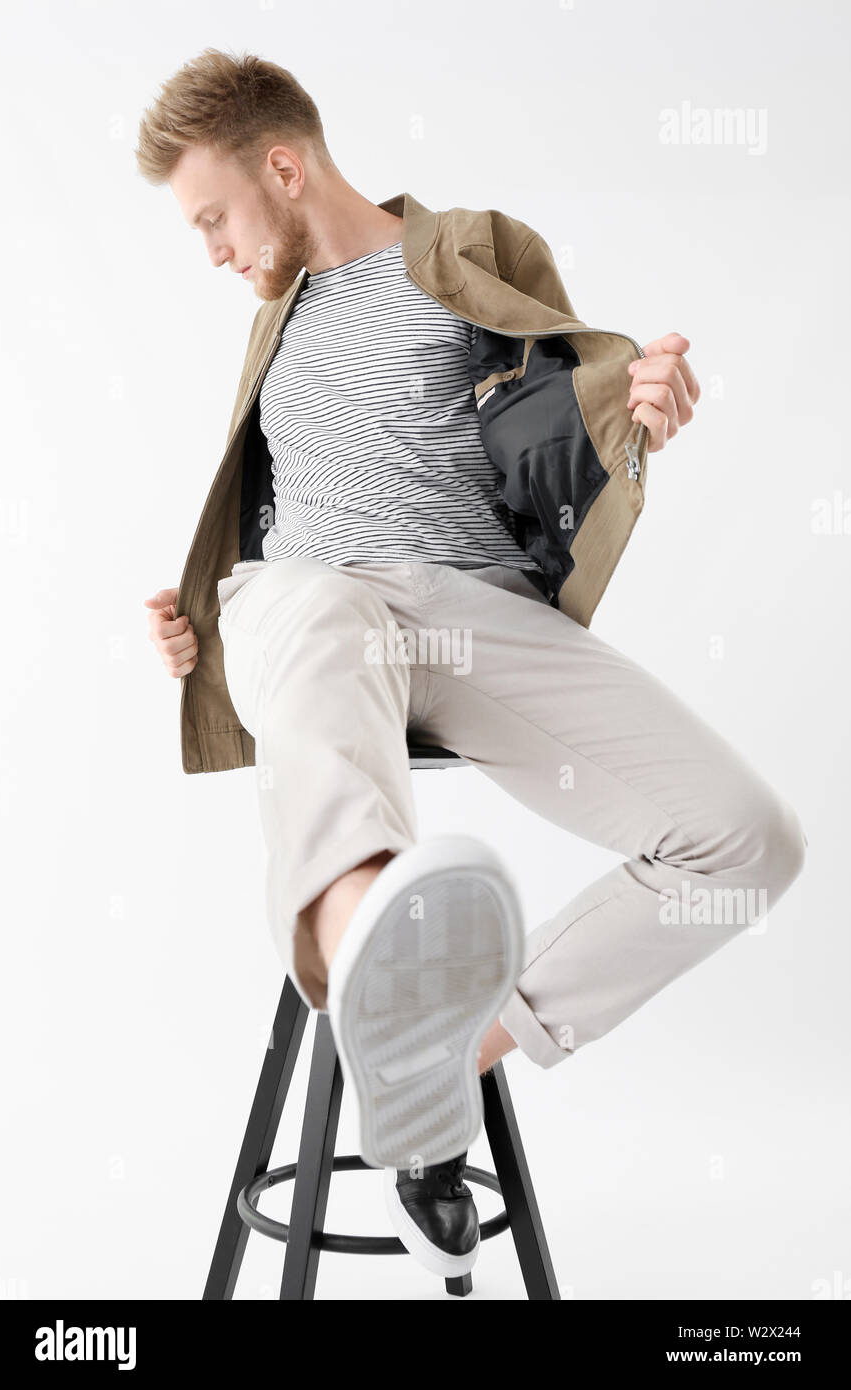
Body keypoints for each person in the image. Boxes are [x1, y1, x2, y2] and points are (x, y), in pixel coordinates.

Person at [139, 49, 806, 1281]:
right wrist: (194, 622)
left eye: (215, 218)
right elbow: (254, 519)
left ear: (283, 167)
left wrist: (634, 412)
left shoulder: (464, 250)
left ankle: (436, 1055)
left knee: (750, 836)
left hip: (477, 617)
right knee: (312, 601)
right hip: (313, 611)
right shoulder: (274, 326)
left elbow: (567, 397)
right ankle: (363, 938)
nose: (216, 252)